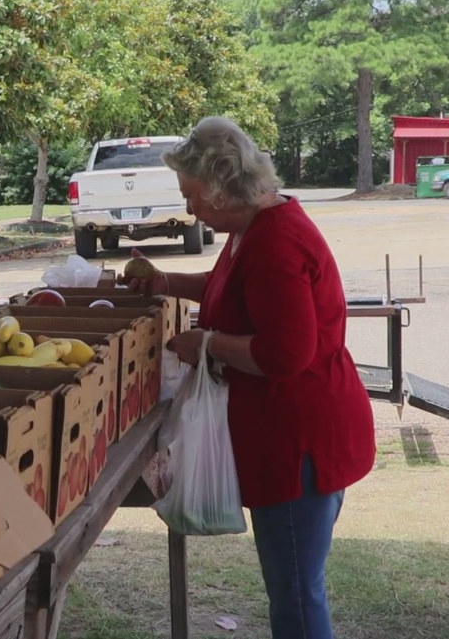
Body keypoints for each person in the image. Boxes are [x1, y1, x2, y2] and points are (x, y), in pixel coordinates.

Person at [123, 116, 375, 639]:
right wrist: (164, 279)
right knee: (296, 585)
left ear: (221, 188)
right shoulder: (253, 228)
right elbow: (227, 288)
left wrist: (207, 344)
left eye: (192, 196)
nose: (189, 208)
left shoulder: (275, 242)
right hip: (291, 429)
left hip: (298, 441)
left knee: (297, 594)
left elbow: (286, 353)